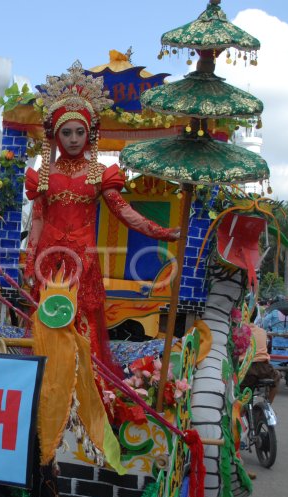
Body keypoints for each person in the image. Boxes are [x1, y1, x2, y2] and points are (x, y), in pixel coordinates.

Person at [24, 62, 180, 375]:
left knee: (82, 324)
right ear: (55, 135)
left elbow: (125, 213)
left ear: (90, 134)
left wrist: (163, 233)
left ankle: (83, 386)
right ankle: (44, 382)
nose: (72, 139)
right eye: (66, 133)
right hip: (48, 261)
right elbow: (37, 221)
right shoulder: (42, 175)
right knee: (46, 320)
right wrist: (30, 261)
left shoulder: (99, 175)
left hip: (83, 263)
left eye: (79, 132)